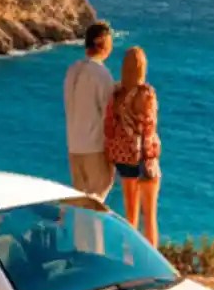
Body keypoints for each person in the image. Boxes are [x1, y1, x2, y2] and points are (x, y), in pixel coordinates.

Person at [104, 46, 162, 246]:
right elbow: (149, 127)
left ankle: (131, 260)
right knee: (150, 217)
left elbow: (109, 126)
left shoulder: (117, 94)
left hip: (124, 159)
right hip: (144, 158)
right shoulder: (146, 94)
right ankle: (151, 263)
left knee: (131, 217)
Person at [63, 23, 115, 201]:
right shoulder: (101, 74)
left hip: (74, 146)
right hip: (94, 147)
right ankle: (91, 229)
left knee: (80, 199)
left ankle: (78, 228)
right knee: (96, 199)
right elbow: (110, 112)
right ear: (101, 42)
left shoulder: (72, 70)